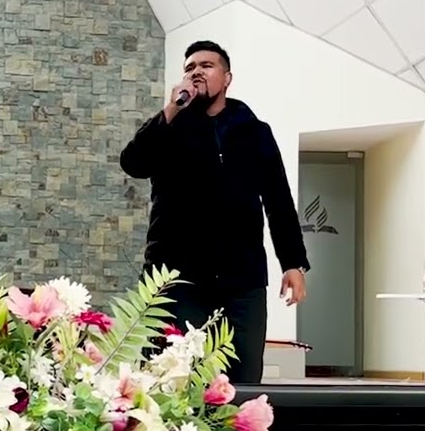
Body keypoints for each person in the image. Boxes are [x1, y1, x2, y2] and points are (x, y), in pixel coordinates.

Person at [120, 40, 309, 385]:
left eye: (206, 66)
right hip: (178, 277)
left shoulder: (254, 132)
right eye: (189, 67)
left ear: (227, 78)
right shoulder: (169, 128)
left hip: (242, 279)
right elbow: (133, 163)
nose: (196, 72)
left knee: (243, 377)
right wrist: (171, 110)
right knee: (171, 374)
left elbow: (278, 199)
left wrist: (293, 262)